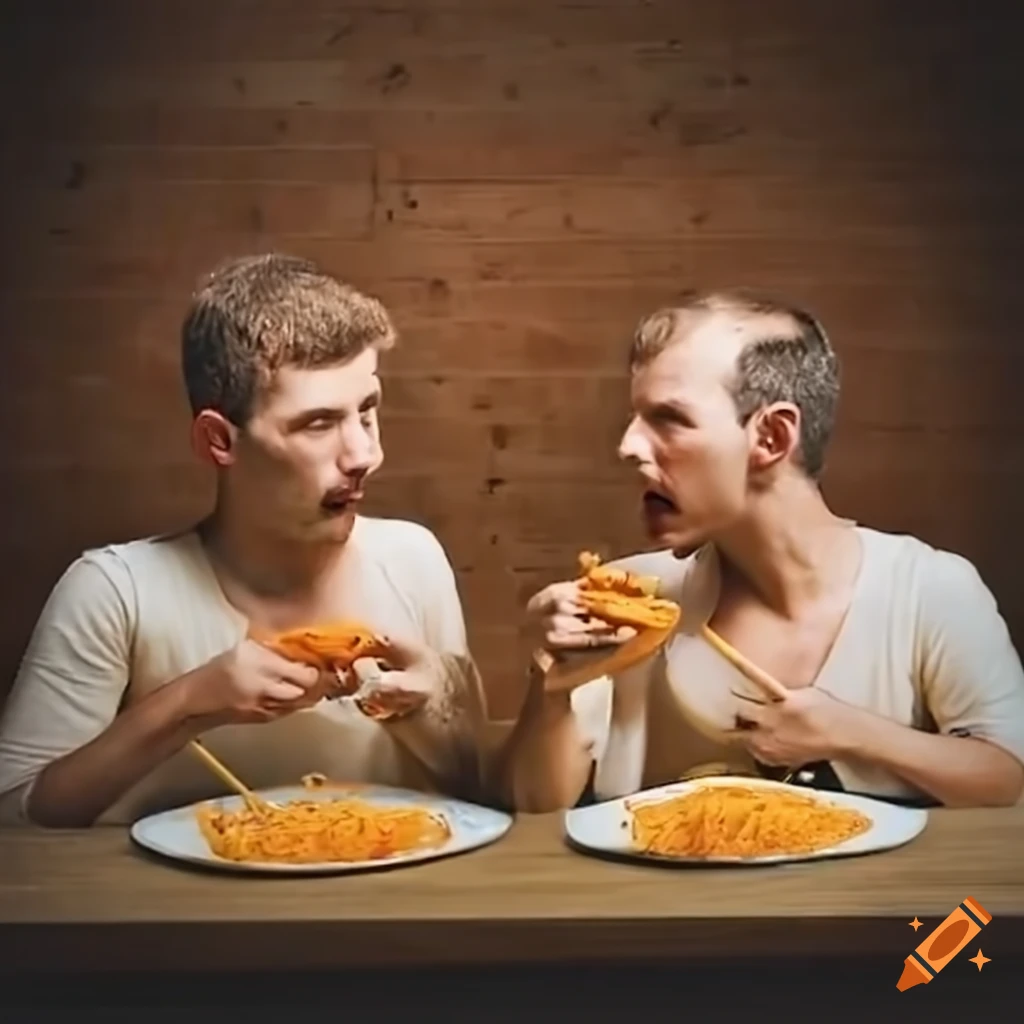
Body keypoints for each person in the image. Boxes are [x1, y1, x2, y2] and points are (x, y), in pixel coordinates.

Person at [0, 253, 493, 827]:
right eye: (317, 424)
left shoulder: (413, 561)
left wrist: (431, 712)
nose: (365, 455)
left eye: (367, 412)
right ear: (219, 441)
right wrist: (190, 704)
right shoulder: (116, 592)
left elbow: (478, 792)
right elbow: (13, 819)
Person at [501, 289, 1024, 812]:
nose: (628, 447)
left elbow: (1010, 781)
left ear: (772, 437)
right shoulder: (628, 604)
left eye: (670, 419)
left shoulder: (930, 590)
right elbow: (533, 811)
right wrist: (552, 688)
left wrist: (854, 733)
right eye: (636, 419)